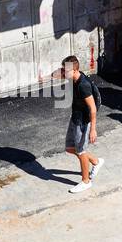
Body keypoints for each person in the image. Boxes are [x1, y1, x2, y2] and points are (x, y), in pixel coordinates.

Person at [49, 56, 104, 194]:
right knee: (70, 148)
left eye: (65, 70)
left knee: (81, 151)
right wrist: (49, 75)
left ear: (74, 70)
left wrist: (93, 129)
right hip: (76, 116)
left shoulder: (83, 85)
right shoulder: (73, 77)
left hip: (83, 121)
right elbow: (57, 74)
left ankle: (86, 182)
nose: (63, 72)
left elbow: (92, 108)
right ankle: (96, 161)